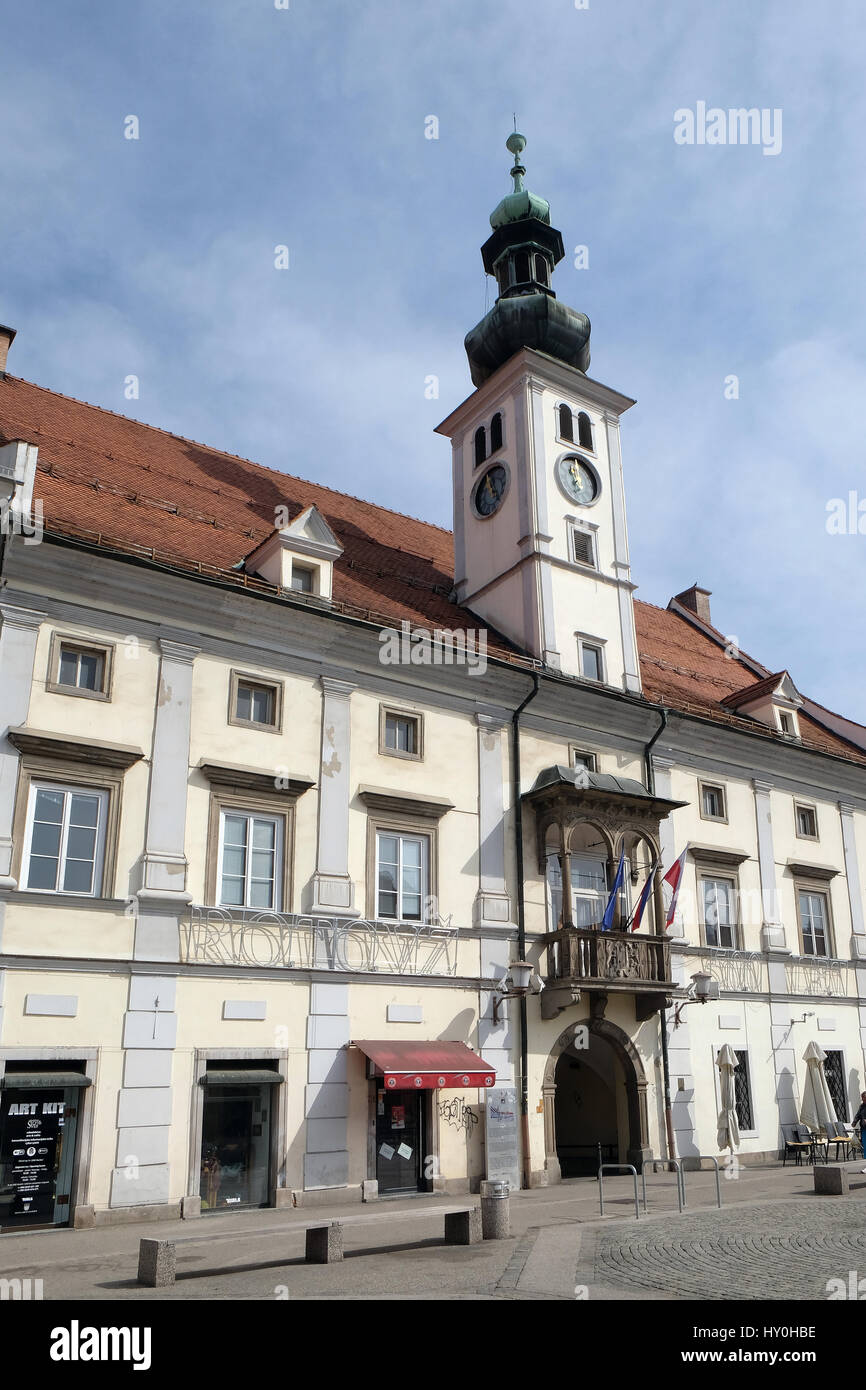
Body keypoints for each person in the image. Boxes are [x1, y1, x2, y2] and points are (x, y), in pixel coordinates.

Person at [851, 1091, 866, 1172]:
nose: (863, 1099)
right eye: (862, 1098)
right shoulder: (862, 1106)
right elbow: (858, 1115)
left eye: (864, 1098)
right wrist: (854, 1122)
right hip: (864, 1129)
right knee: (865, 1147)